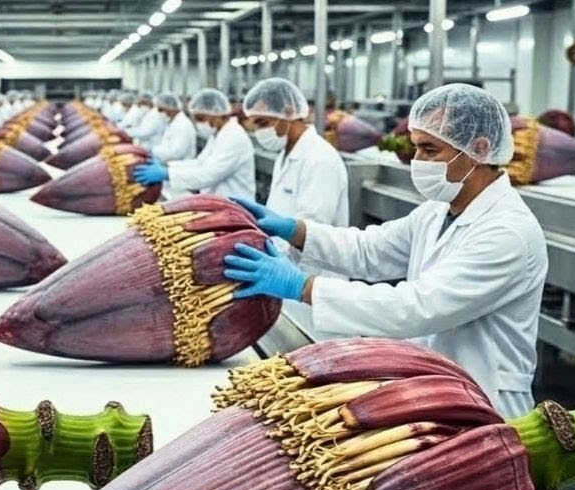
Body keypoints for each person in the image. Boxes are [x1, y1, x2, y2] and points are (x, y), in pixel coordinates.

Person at [222, 83, 547, 416]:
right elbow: (370, 250)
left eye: (430, 150)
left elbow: (417, 306)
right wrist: (297, 231)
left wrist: (302, 287)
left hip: (485, 400)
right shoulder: (438, 210)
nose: (417, 161)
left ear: (479, 149)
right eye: (416, 148)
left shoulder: (507, 233)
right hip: (435, 388)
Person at [242, 77, 349, 338]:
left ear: (288, 113)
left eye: (263, 123)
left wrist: (274, 264)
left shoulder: (319, 159)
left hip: (315, 291)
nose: (258, 132)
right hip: (287, 287)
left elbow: (313, 232)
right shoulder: (286, 154)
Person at [132, 87, 255, 200]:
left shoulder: (233, 137)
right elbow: (201, 162)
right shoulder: (218, 134)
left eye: (201, 118)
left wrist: (167, 173)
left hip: (234, 203)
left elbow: (209, 175)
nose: (197, 124)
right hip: (217, 199)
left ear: (217, 114)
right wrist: (169, 168)